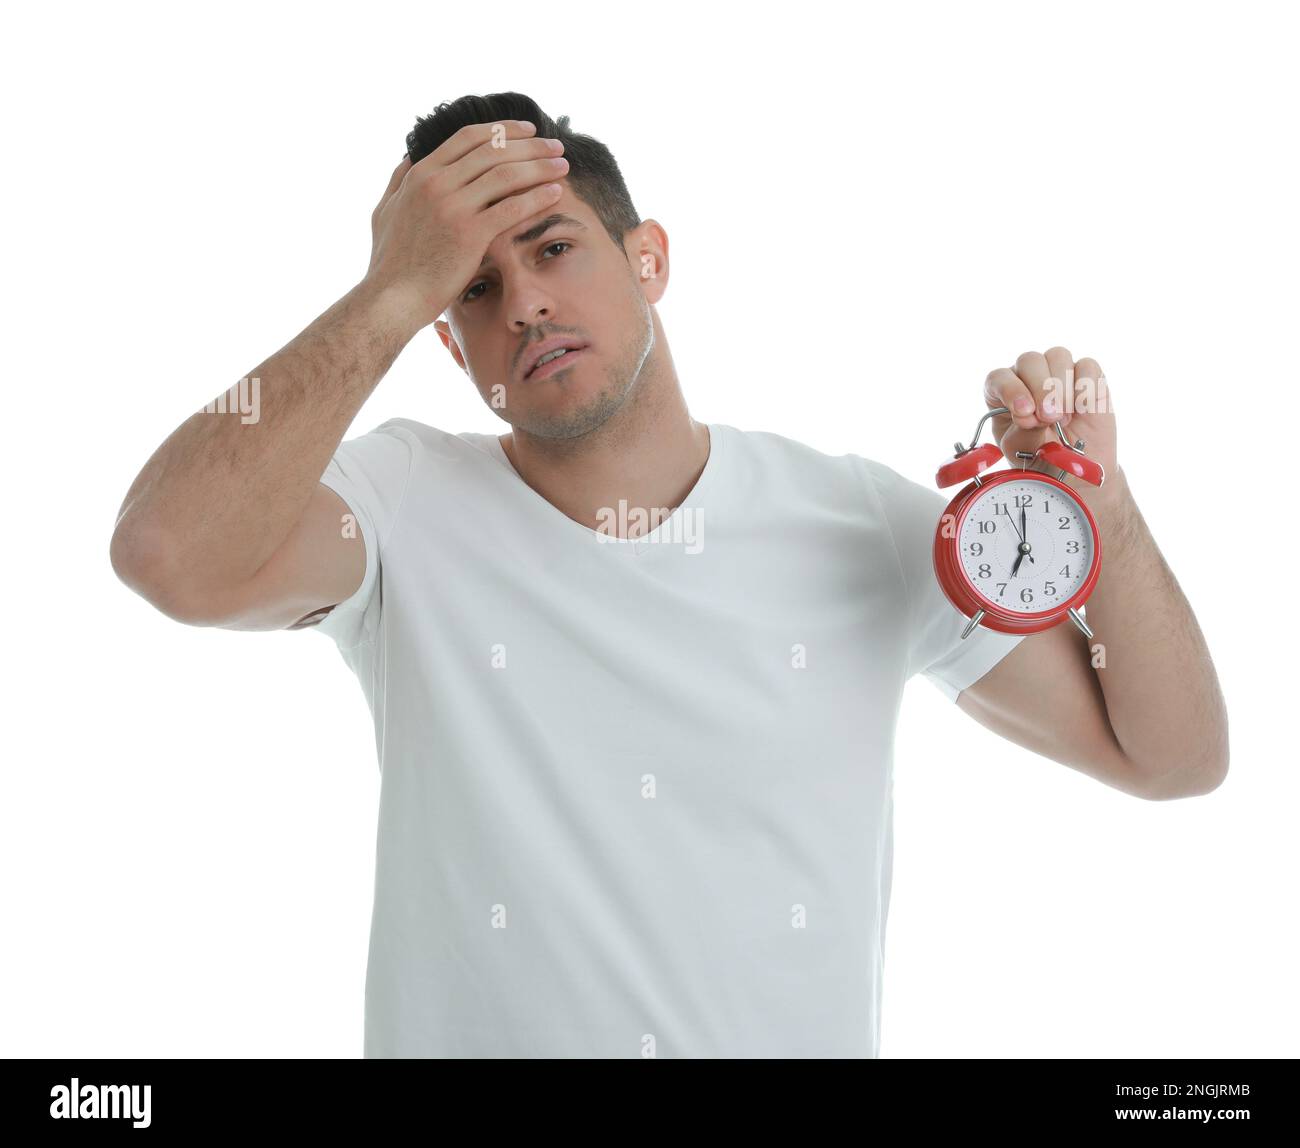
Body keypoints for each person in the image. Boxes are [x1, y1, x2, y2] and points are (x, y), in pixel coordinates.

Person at [108, 91, 1229, 1058]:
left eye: (551, 248)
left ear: (647, 258)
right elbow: (168, 552)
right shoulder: (397, 510)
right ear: (448, 345)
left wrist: (1104, 508)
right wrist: (392, 291)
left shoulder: (857, 522)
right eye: (473, 290)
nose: (526, 305)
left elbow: (1173, 757)